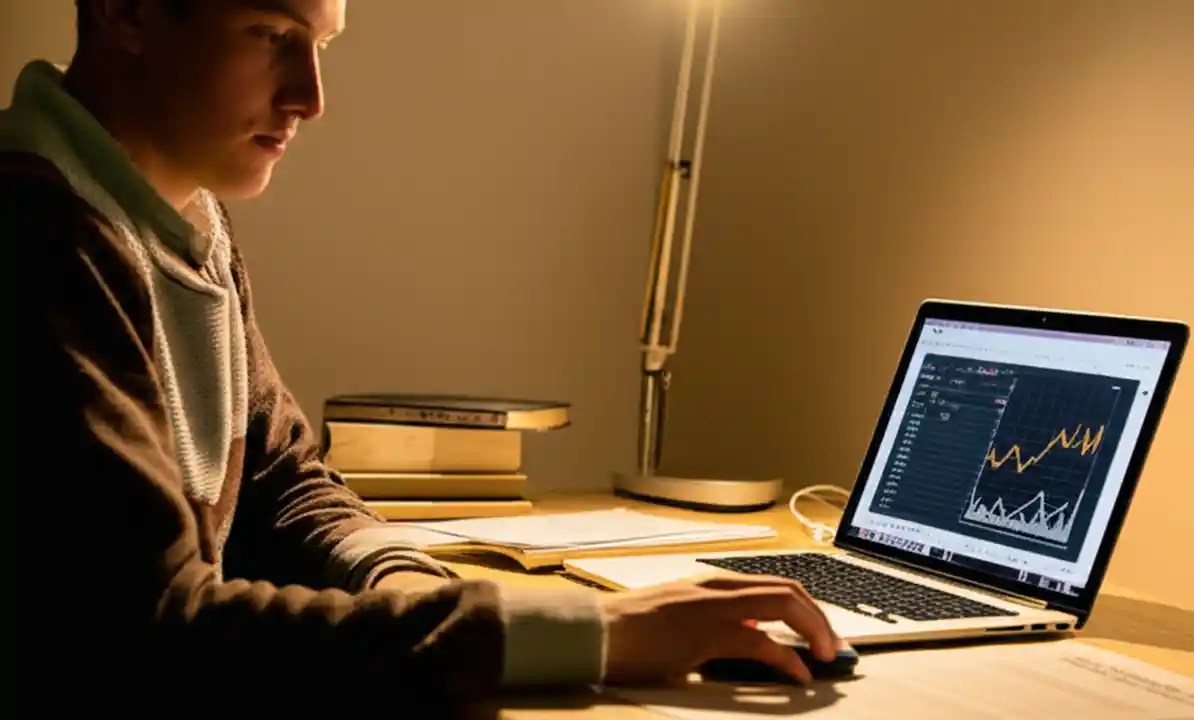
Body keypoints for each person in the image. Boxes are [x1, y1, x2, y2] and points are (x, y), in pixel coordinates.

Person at [4, 0, 842, 708]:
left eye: (322, 46)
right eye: (272, 34)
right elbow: (153, 628)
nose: (312, 97)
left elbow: (280, 484)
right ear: (126, 11)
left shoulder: (179, 218)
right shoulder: (36, 230)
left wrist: (405, 581)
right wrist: (596, 635)